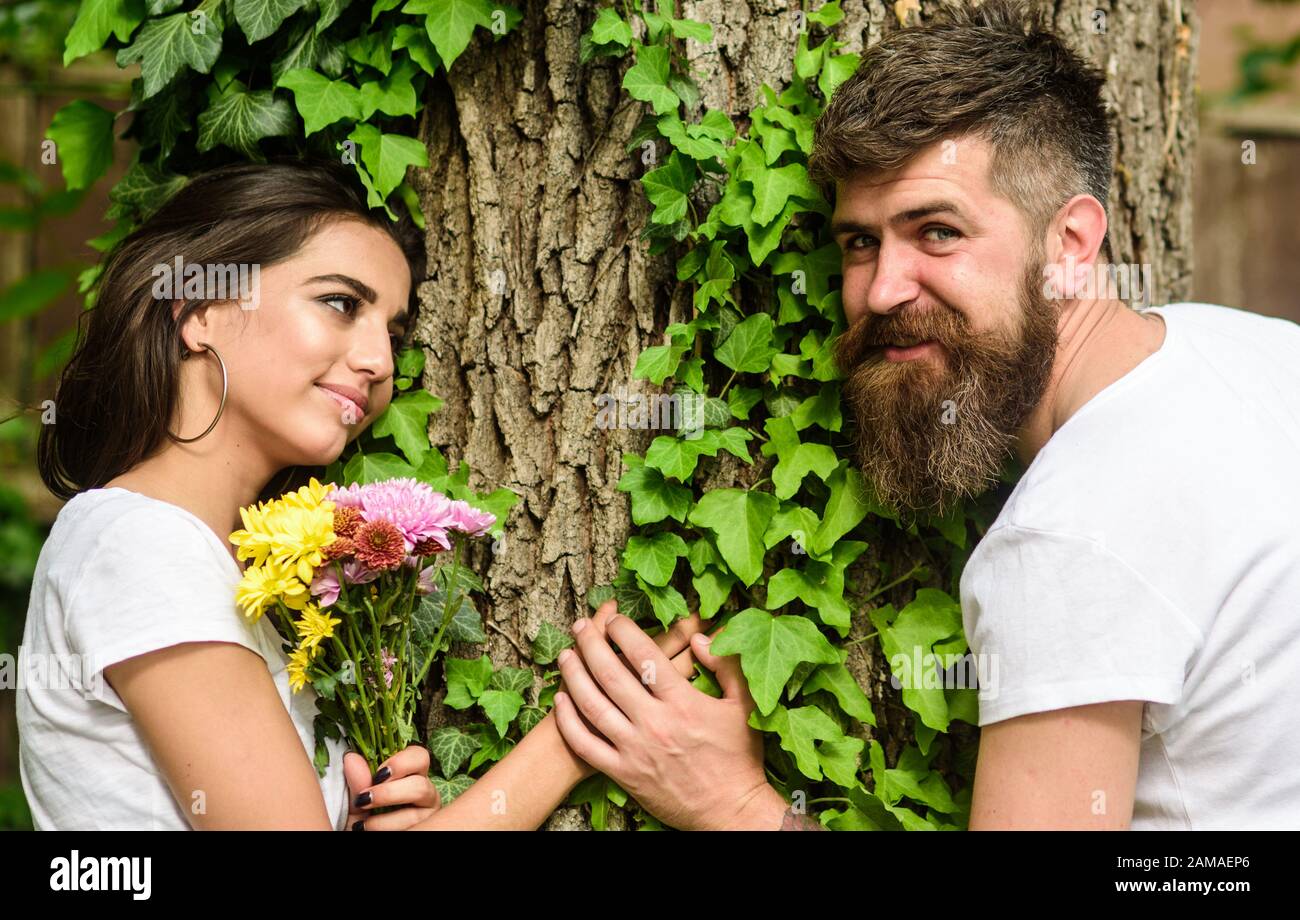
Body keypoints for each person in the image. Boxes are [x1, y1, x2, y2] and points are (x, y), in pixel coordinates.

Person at [559, 0, 1300, 830]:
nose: (880, 292)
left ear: (1071, 243)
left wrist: (733, 806)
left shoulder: (1068, 540)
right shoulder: (1263, 352)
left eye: (937, 232)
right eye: (860, 242)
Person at [19, 158, 801, 830]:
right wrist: (584, 727)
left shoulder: (217, 566)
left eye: (392, 332)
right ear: (199, 310)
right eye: (339, 303)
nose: (377, 362)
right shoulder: (137, 541)